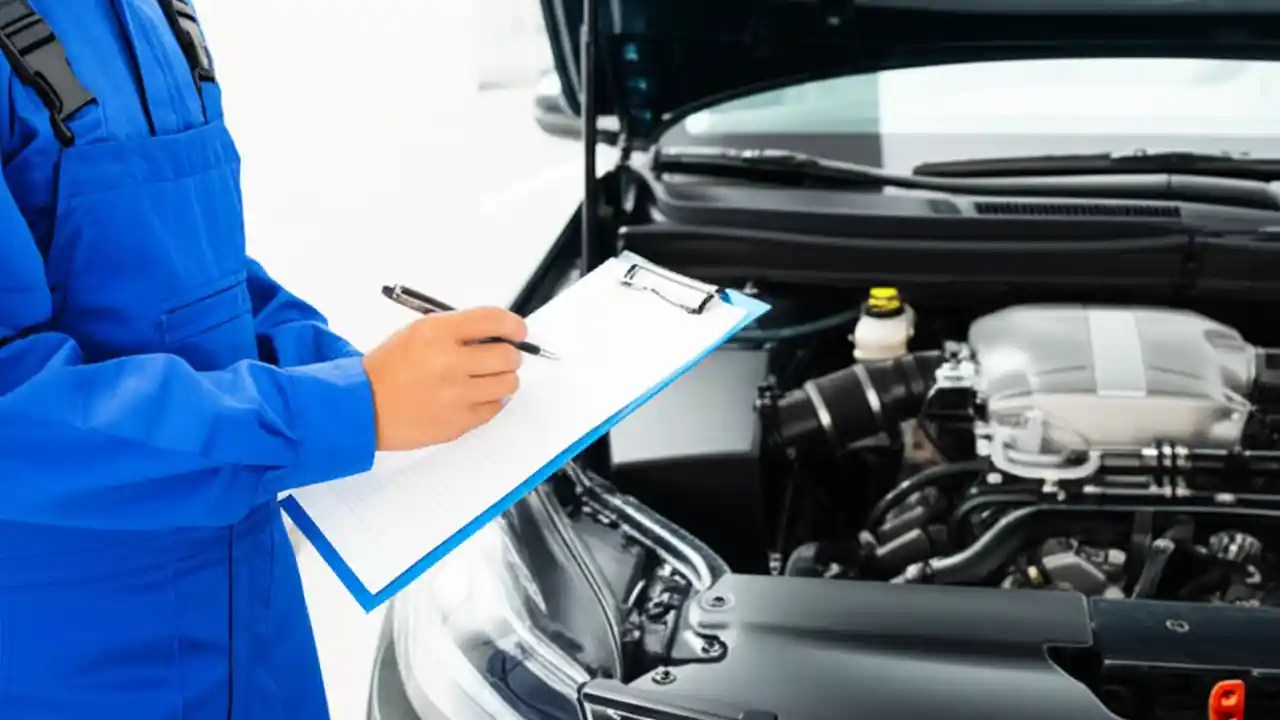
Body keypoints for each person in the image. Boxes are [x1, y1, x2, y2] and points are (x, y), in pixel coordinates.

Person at [0, 2, 524, 717]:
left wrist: (364, 375)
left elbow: (192, 278)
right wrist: (348, 407)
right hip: (73, 668)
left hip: (257, 635)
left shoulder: (154, 16)